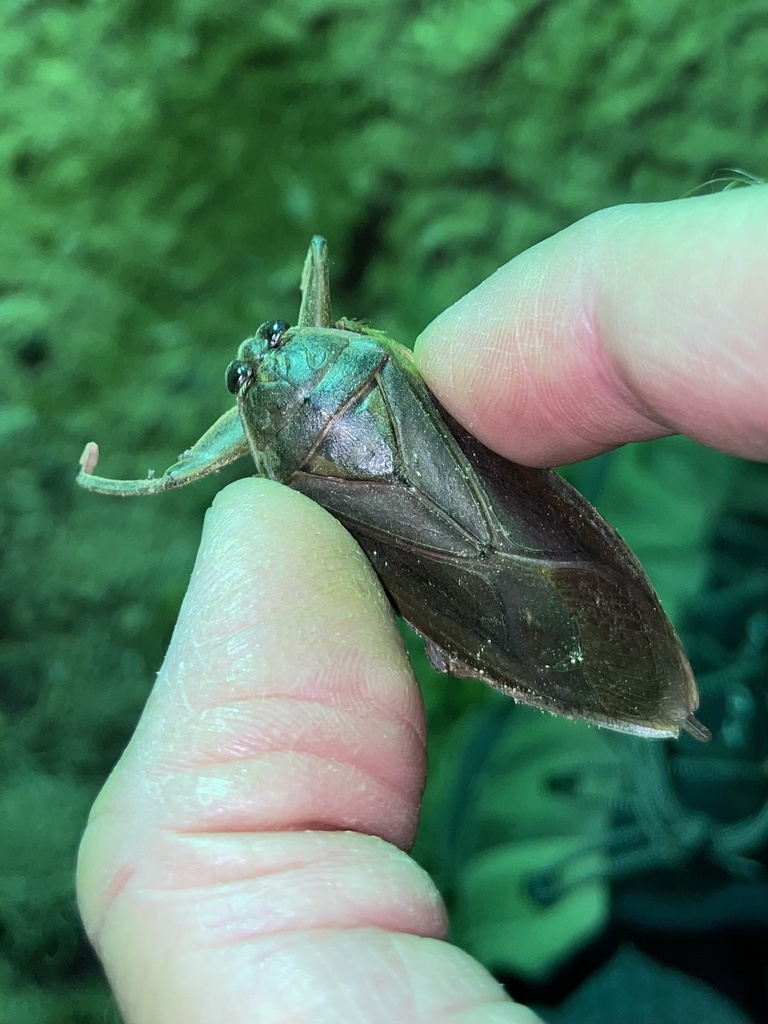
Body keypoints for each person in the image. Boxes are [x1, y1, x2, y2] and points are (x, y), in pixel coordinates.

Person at [76, 185, 768, 1024]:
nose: (256, 352)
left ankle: (639, 836)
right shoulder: (361, 354)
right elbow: (320, 252)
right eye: (249, 364)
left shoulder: (286, 461)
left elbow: (317, 259)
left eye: (261, 347)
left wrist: (122, 479)